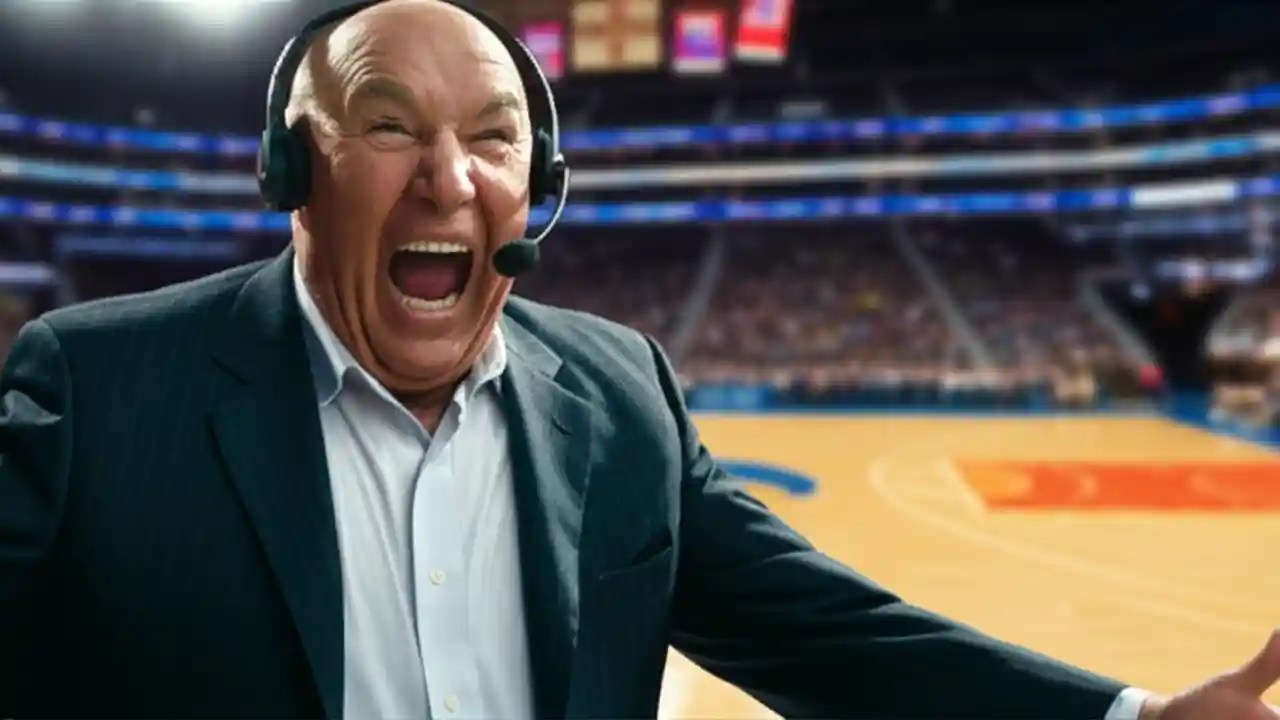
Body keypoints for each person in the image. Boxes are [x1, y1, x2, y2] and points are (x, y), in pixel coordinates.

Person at [0, 1, 1276, 718]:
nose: (450, 176)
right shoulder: (102, 391)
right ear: (293, 173)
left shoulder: (621, 396)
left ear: (535, 184)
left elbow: (832, 638)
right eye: (388, 127)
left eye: (494, 138)